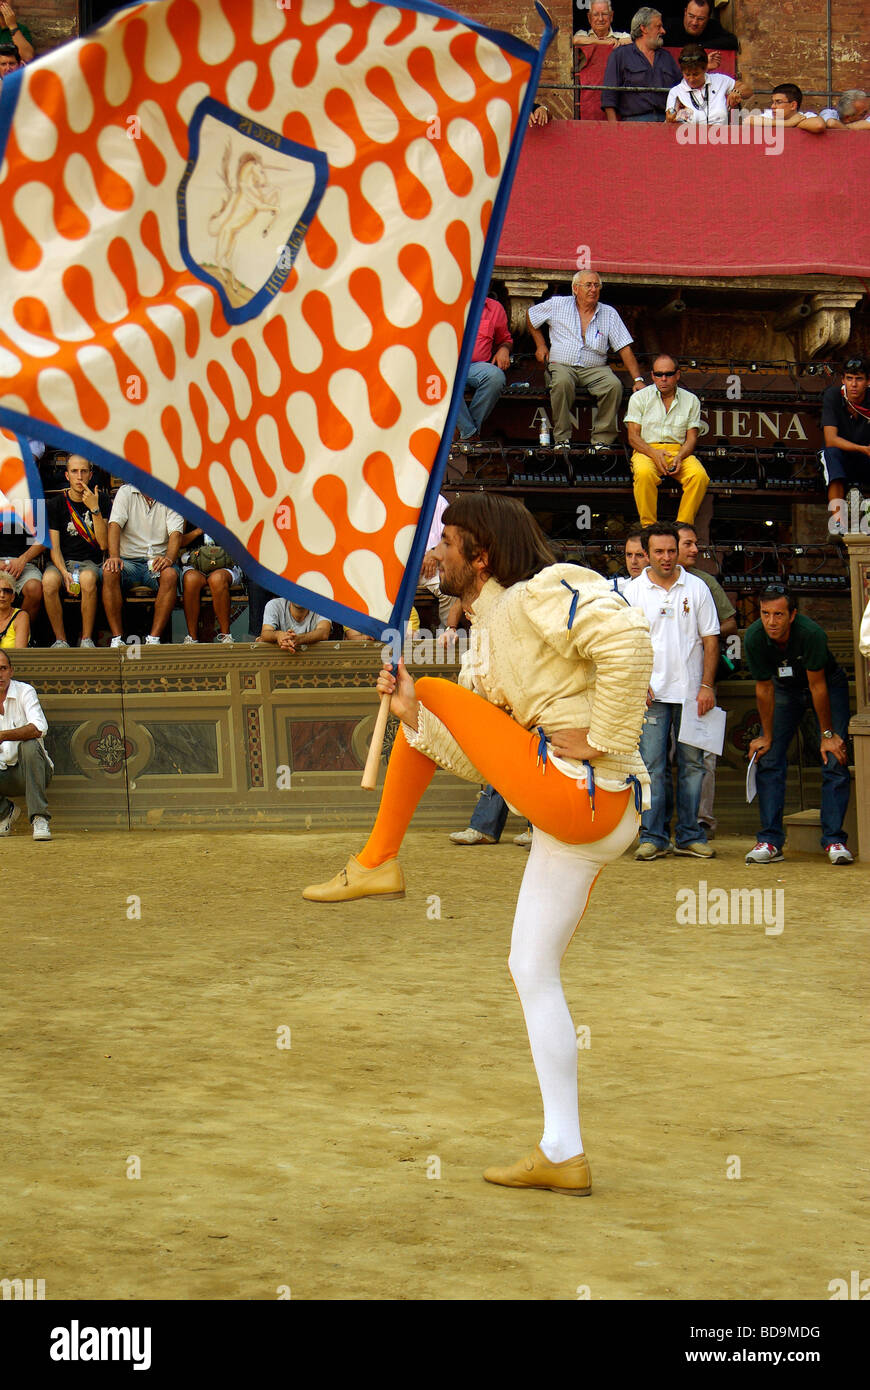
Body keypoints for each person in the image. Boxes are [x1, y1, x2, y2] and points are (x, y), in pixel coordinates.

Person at [302, 494, 654, 1197]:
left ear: (481, 555)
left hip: (587, 793)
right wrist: (412, 718)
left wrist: (606, 739)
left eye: (447, 543)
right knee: (530, 968)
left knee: (430, 691)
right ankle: (564, 1150)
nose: (435, 555)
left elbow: (630, 641)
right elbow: (481, 760)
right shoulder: (487, 639)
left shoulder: (540, 591)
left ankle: (376, 860)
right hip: (572, 813)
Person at [622, 523, 719, 859]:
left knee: (694, 765)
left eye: (670, 550)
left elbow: (711, 639)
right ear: (647, 554)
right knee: (651, 766)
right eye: (659, 551)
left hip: (692, 694)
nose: (666, 557)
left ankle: (690, 835)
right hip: (650, 695)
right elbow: (624, 643)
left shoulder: (697, 588)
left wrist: (706, 686)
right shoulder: (632, 592)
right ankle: (653, 837)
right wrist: (637, 681)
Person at [744, 587, 852, 865]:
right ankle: (769, 841)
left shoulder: (811, 633)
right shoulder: (755, 636)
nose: (771, 622)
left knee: (834, 755)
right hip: (784, 690)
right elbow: (764, 689)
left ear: (792, 615)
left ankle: (834, 840)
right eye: (765, 614)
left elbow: (817, 687)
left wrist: (827, 735)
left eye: (778, 614)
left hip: (827, 684)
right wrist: (766, 735)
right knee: (769, 756)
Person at [527, 271, 644, 451]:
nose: (593, 289)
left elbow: (624, 347)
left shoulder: (608, 313)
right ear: (575, 288)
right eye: (588, 285)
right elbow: (531, 315)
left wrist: (638, 379)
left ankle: (602, 441)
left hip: (595, 368)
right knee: (562, 382)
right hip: (562, 365)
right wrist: (540, 345)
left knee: (613, 386)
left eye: (596, 285)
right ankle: (562, 440)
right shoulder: (558, 304)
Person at [676, 522, 737, 836]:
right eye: (688, 544)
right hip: (661, 685)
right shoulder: (646, 583)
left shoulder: (704, 582)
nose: (694, 550)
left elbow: (730, 623)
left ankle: (702, 820)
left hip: (703, 678)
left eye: (694, 543)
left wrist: (703, 633)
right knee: (661, 758)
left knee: (703, 754)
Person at [624, 354, 709, 525]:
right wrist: (653, 453)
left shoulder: (691, 400)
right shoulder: (639, 397)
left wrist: (680, 456)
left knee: (699, 476)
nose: (664, 379)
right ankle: (648, 526)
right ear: (653, 376)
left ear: (677, 375)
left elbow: (691, 438)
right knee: (644, 473)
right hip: (646, 450)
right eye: (658, 374)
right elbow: (633, 437)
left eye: (669, 374)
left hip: (677, 449)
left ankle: (683, 526)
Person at [102, 486, 184, 646]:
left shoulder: (172, 494)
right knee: (109, 571)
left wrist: (168, 558)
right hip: (128, 560)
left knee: (170, 575)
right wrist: (114, 556)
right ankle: (117, 638)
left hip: (156, 561)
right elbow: (114, 525)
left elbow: (176, 533)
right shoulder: (126, 491)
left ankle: (154, 638)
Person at [43, 454, 109, 649]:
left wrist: (95, 509)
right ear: (67, 475)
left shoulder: (102, 499)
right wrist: (64, 573)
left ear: (90, 475)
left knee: (88, 579)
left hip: (90, 563)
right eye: (74, 471)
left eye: (83, 471)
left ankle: (86, 639)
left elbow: (104, 544)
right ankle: (61, 640)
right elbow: (53, 547)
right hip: (62, 562)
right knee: (48, 582)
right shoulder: (55, 504)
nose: (79, 476)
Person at [0, 648, 52, 840]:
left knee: (30, 744)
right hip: (3, 774)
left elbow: (39, 728)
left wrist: (4, 735)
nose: (0, 674)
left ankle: (40, 817)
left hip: (32, 771)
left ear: (11, 671)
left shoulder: (25, 691)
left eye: (3, 668)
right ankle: (4, 812)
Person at [453, 290, 512, 450]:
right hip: (447, 366)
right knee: (443, 378)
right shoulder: (445, 301)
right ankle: (471, 434)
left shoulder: (494, 308)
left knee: (496, 376)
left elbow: (505, 339)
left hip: (475, 367)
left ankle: (466, 433)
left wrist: (504, 349)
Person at [601, 8, 681, 123]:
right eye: (658, 26)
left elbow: (682, 89)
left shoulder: (666, 57)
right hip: (634, 125)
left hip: (666, 124)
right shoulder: (620, 55)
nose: (663, 31)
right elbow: (609, 97)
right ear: (643, 28)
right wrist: (614, 131)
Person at [820, 357, 870, 503]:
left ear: (868, 382)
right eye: (849, 378)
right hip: (842, 457)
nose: (853, 384)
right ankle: (838, 522)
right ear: (843, 380)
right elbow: (831, 440)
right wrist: (862, 449)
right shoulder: (833, 396)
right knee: (831, 454)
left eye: (859, 379)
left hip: (866, 459)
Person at [180, 526, 242, 644]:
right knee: (190, 579)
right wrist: (198, 530)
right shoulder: (190, 511)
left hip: (225, 562)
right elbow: (180, 542)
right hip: (195, 563)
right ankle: (192, 637)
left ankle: (226, 636)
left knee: (217, 579)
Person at [666, 44, 748, 124]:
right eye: (687, 75)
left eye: (695, 74)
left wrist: (737, 92)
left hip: (721, 134)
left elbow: (747, 90)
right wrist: (671, 117)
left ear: (705, 68)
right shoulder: (675, 92)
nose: (691, 79)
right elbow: (670, 115)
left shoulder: (719, 80)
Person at [0, 511, 44, 628]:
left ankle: (18, 633)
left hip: (25, 562)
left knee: (34, 588)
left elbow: (44, 539)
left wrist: (22, 560)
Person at [662, 0, 738, 65]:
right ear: (685, 12)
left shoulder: (712, 26)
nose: (694, 22)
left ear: (708, 18)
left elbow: (732, 41)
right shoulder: (670, 26)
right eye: (691, 16)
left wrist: (700, 47)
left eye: (701, 19)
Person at [744, 83, 826, 133]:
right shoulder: (770, 115)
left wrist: (794, 122)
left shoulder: (804, 116)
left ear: (793, 105)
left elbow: (818, 125)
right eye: (773, 102)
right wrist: (789, 123)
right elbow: (748, 120)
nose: (773, 106)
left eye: (778, 102)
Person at [258, 596, 331, 650]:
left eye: (303, 588)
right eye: (295, 589)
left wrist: (297, 639)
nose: (299, 594)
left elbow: (324, 632)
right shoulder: (274, 604)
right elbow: (265, 633)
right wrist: (278, 635)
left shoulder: (323, 606)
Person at [0, 573, 29, 647]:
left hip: (14, 658)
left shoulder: (21, 616)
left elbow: (20, 654)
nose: (2, 595)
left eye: (7, 591)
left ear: (12, 597)